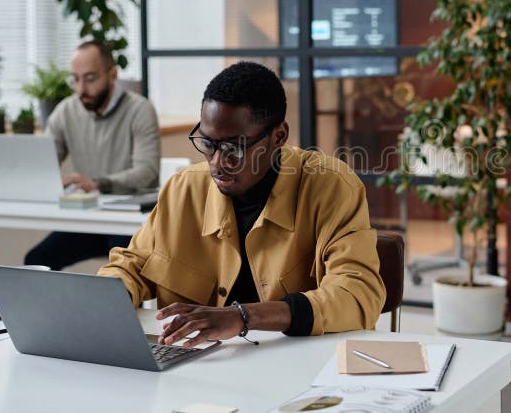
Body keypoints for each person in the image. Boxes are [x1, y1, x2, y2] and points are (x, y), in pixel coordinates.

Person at [98, 62, 385, 343]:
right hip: (199, 370)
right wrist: (103, 297)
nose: (217, 163)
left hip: (300, 369)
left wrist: (243, 316)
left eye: (233, 148)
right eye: (208, 144)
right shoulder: (183, 189)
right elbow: (132, 265)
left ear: (279, 136)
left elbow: (357, 292)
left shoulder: (330, 186)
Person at [24, 41, 160, 270]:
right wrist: (44, 178)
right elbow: (42, 162)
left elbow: (147, 173)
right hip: (89, 219)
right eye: (75, 79)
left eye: (90, 78)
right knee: (37, 261)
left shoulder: (140, 110)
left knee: (121, 274)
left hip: (130, 223)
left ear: (113, 74)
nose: (81, 89)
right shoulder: (67, 111)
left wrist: (97, 183)